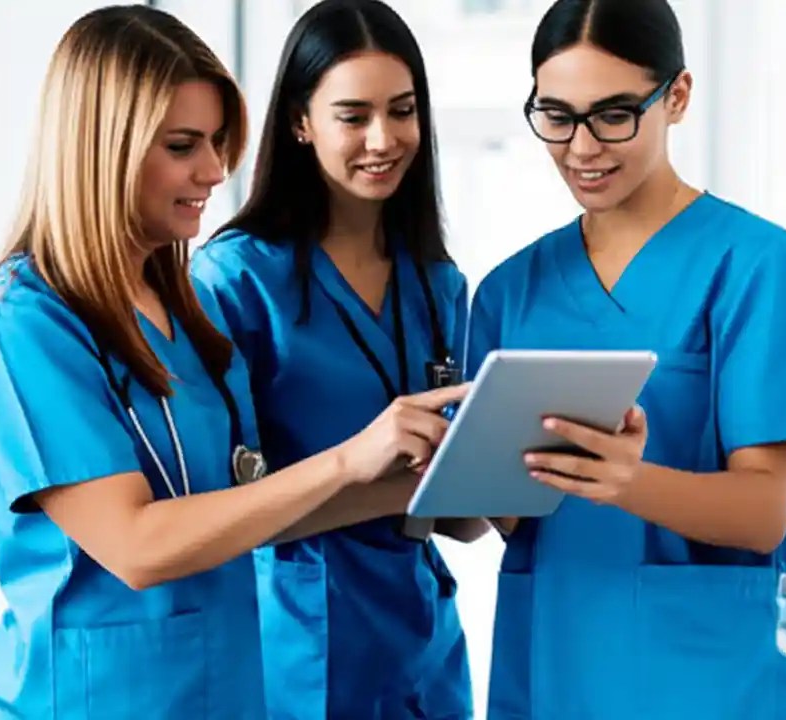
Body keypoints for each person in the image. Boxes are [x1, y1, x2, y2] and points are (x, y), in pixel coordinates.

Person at [0, 6, 465, 718]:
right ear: (102, 147)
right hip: (93, 700)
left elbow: (254, 510)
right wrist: (349, 459)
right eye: (183, 146)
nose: (215, 171)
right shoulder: (25, 321)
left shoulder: (184, 314)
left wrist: (463, 473)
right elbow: (135, 545)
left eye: (218, 142)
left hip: (222, 691)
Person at [470, 0, 786, 718]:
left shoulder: (757, 264)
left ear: (677, 97)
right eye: (557, 116)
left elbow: (764, 512)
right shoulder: (508, 292)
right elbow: (513, 516)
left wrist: (627, 481)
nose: (582, 147)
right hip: (554, 661)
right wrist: (456, 470)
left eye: (614, 115)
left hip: (707, 680)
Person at [191, 1, 488, 717]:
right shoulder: (235, 281)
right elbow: (211, 515)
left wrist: (524, 451)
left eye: (402, 111)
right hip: (299, 648)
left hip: (423, 649)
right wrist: (406, 489)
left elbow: (465, 519)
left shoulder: (438, 284)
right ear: (301, 122)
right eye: (353, 116)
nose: (384, 139)